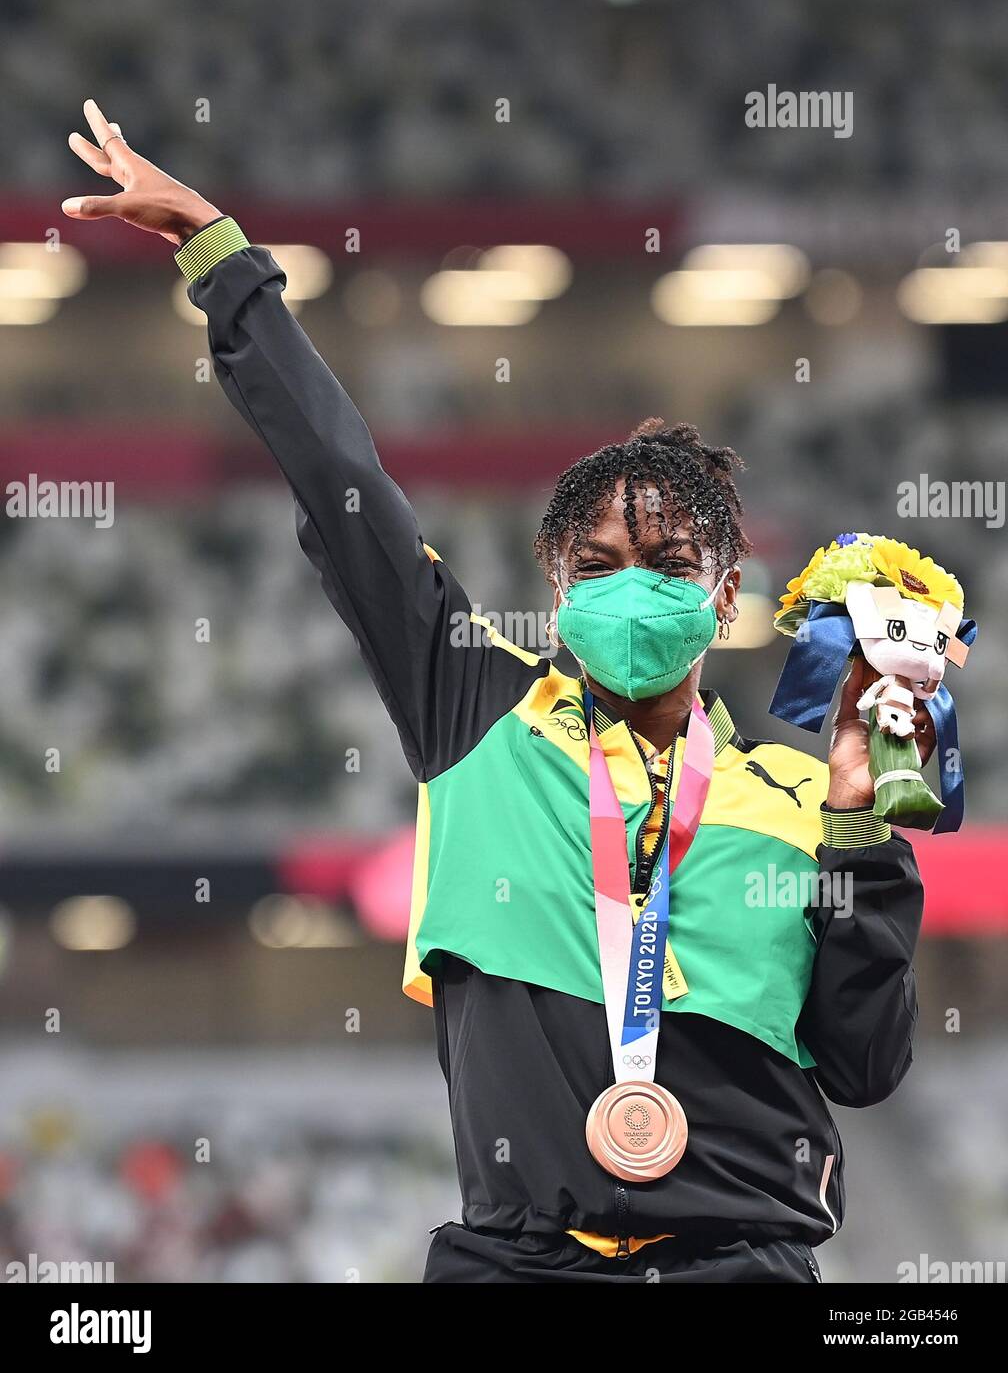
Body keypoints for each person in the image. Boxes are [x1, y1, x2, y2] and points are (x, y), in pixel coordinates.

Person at [63, 101, 928, 1283]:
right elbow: (342, 484)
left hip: (746, 1265)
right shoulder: (475, 711)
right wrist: (223, 257)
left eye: (672, 570)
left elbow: (866, 1063)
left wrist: (863, 827)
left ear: (726, 599)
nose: (636, 595)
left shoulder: (795, 795)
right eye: (600, 568)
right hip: (512, 1265)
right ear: (555, 591)